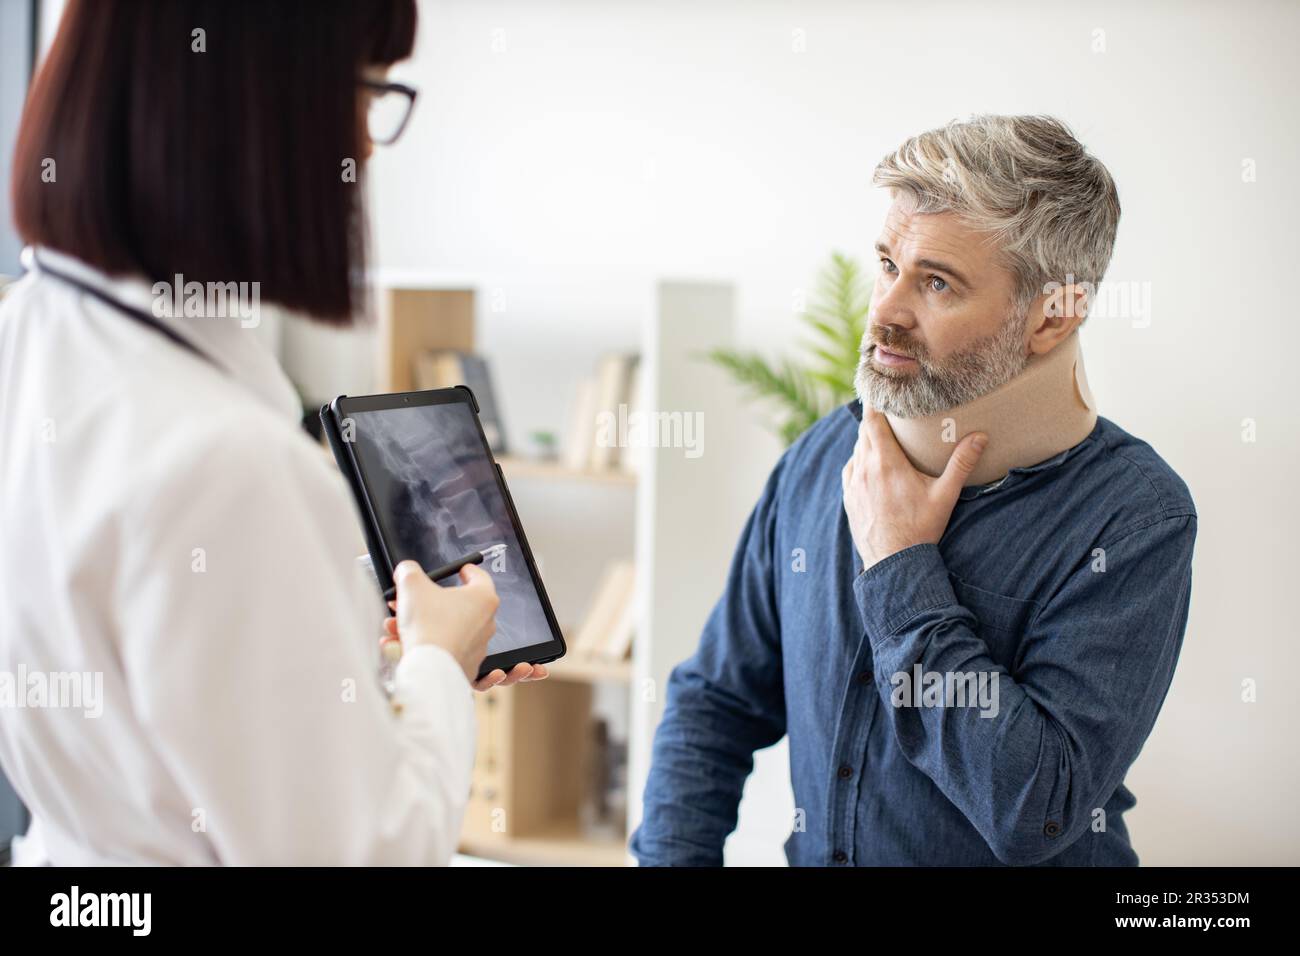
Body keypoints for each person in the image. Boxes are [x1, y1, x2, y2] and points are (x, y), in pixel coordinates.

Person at [0, 0, 544, 866]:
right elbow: (369, 852)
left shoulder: (26, 338)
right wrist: (438, 663)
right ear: (258, 108)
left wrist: (330, 641)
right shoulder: (230, 464)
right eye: (363, 96)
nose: (365, 147)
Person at [631, 115, 1196, 866]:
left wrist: (901, 568)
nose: (886, 312)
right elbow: (717, 702)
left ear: (1053, 317)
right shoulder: (822, 458)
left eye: (936, 283)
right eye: (888, 264)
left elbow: (1039, 811)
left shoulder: (1132, 520)